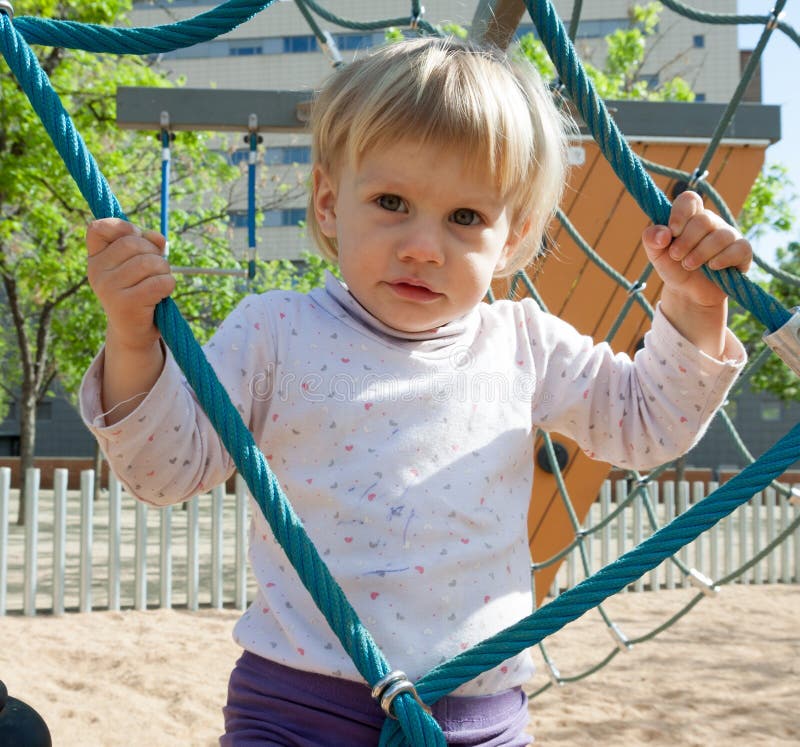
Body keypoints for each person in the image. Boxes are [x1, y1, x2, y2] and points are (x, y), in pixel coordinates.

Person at [80, 37, 749, 746]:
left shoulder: (524, 341)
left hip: (477, 715)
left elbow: (646, 425)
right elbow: (164, 471)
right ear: (330, 203)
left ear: (514, 236)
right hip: (299, 707)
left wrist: (696, 309)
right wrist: (131, 339)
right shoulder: (275, 332)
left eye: (465, 218)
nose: (423, 246)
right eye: (391, 202)